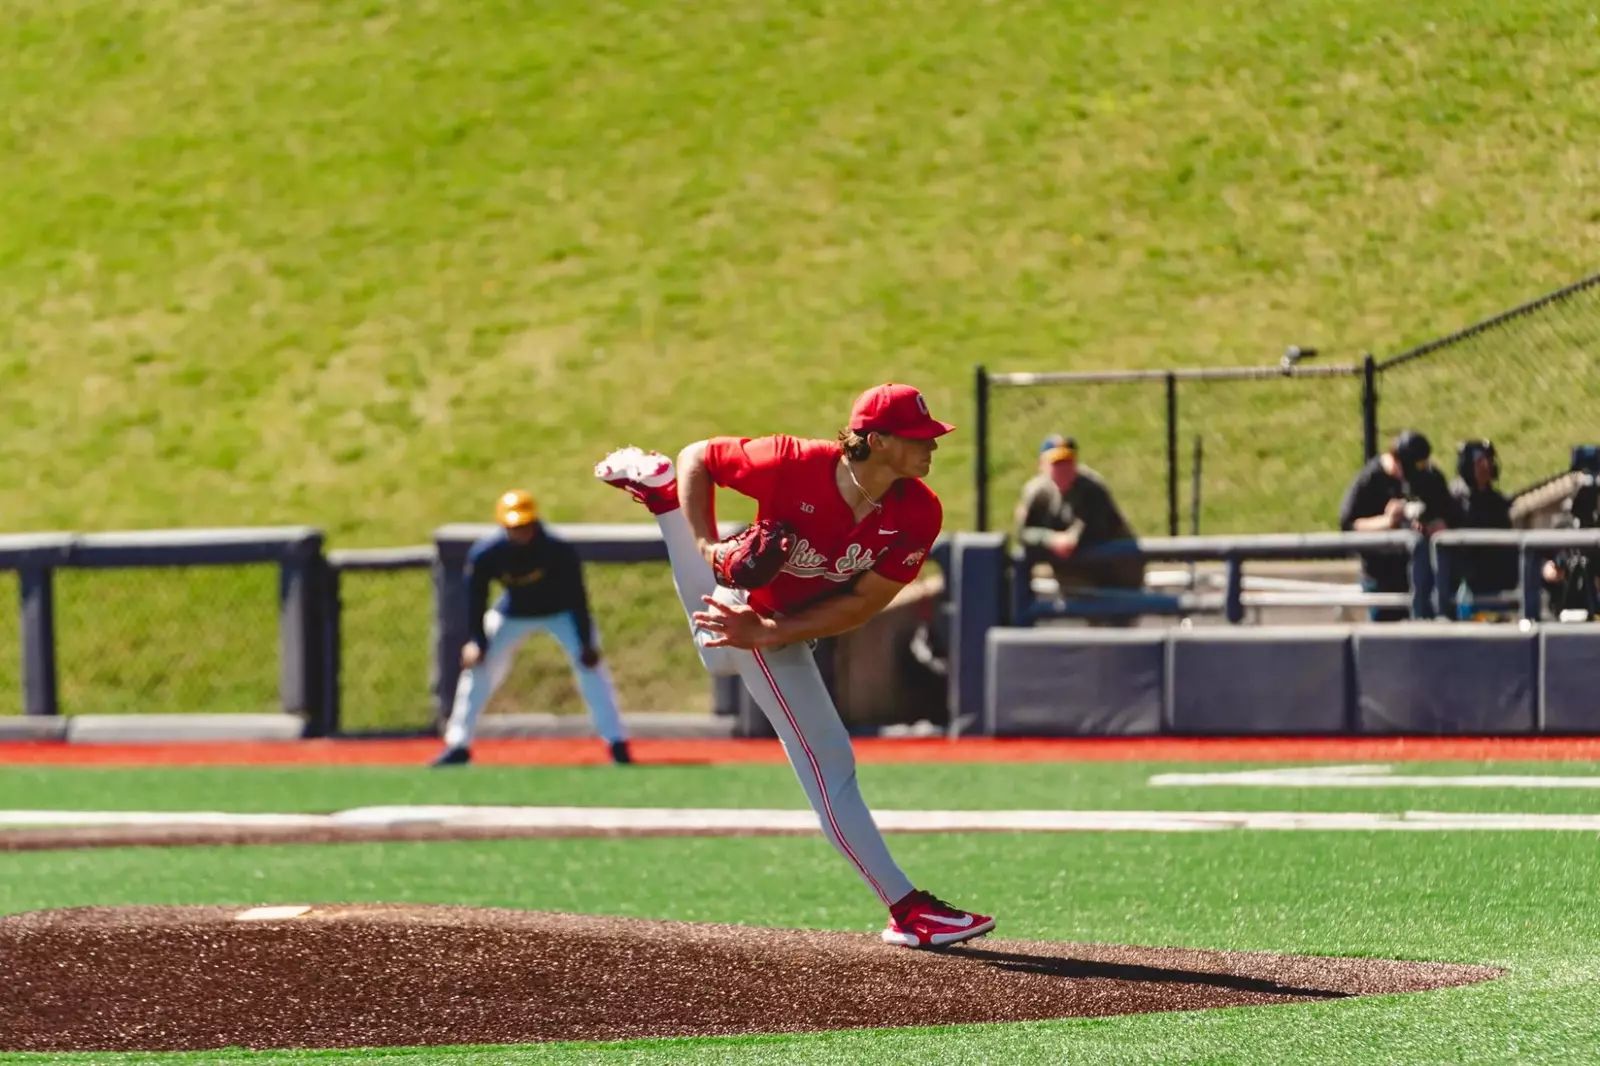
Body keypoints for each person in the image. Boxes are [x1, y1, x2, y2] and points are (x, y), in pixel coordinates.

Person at [594, 383, 995, 950]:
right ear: (876, 441)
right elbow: (698, 458)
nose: (932, 447)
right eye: (918, 438)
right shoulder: (792, 462)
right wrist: (708, 543)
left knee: (719, 662)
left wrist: (771, 632)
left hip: (776, 625)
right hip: (756, 613)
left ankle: (661, 503)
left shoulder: (919, 510)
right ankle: (907, 910)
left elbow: (862, 604)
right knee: (830, 760)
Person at [433, 489, 631, 767]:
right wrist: (477, 641)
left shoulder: (557, 550)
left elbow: (577, 596)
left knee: (591, 670)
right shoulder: (487, 553)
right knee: (477, 669)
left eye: (526, 525)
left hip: (561, 612)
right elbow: (476, 599)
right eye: (515, 526)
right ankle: (458, 745)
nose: (522, 532)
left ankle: (616, 743)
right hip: (512, 613)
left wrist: (586, 642)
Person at [1013, 434, 1145, 626]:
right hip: (1075, 570)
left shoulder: (1092, 487)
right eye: (1055, 464)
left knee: (1122, 620)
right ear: (1042, 466)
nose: (1062, 469)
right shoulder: (1036, 493)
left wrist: (1072, 538)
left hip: (1116, 566)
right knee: (1094, 619)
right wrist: (1050, 539)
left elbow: (1095, 524)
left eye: (1067, 462)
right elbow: (1023, 532)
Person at [1337, 430, 1457, 622]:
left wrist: (1435, 525)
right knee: (1385, 638)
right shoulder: (1371, 478)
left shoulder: (1430, 477)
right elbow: (1348, 524)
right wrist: (1387, 521)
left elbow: (1448, 514)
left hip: (1422, 574)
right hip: (1382, 575)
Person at [1447, 439, 1517, 621]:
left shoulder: (1497, 502)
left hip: (1496, 581)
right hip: (1466, 584)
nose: (1486, 465)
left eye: (1488, 460)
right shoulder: (1452, 501)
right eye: (1480, 461)